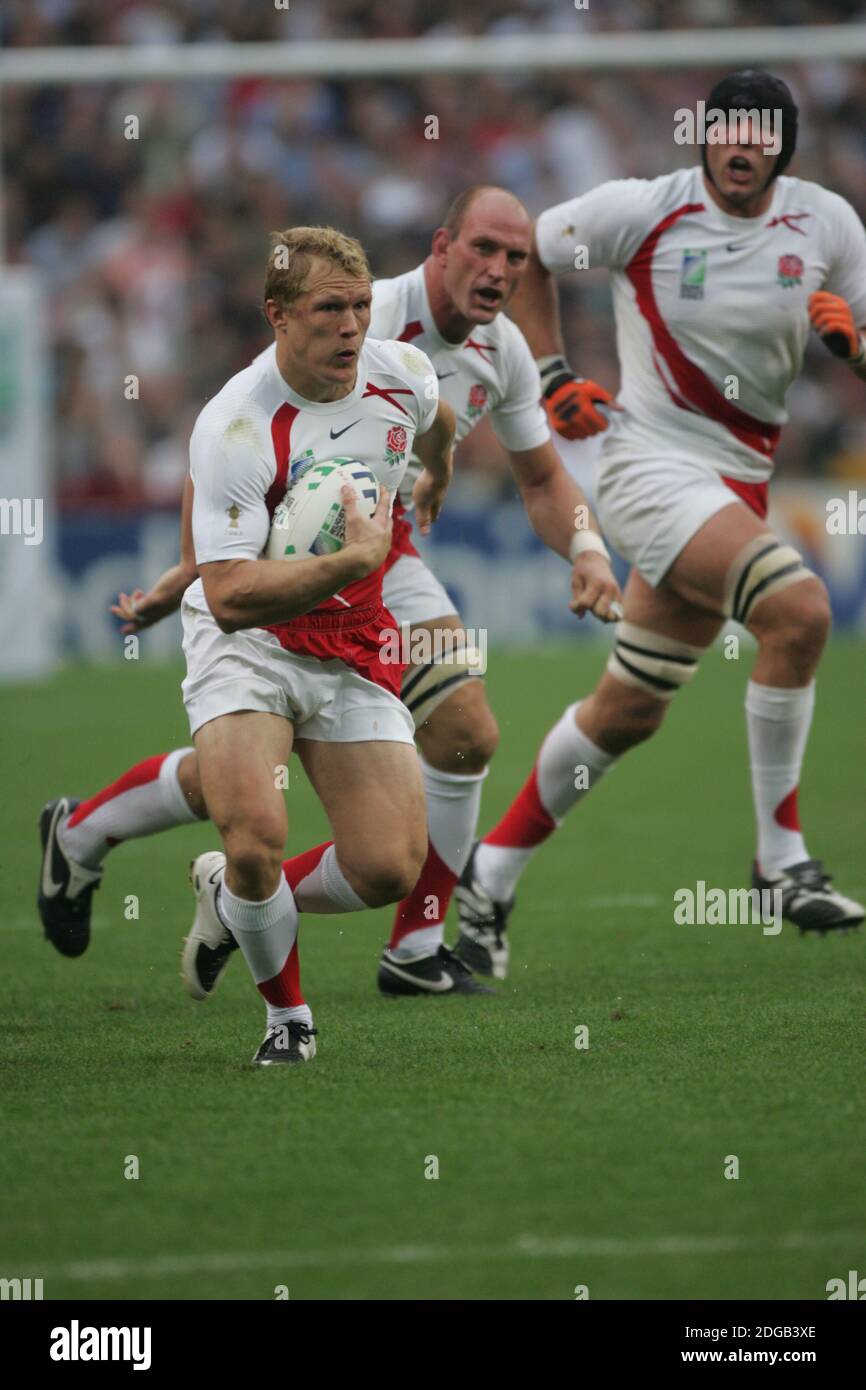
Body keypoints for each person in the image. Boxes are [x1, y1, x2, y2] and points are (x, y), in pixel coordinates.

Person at [38, 188, 622, 1002]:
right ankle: (91, 832)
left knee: (462, 732)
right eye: (484, 249)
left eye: (516, 258)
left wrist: (587, 547)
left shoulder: (504, 350)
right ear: (442, 245)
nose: (498, 270)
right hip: (287, 561)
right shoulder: (363, 313)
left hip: (382, 560)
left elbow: (538, 474)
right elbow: (238, 430)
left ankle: (408, 943)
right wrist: (190, 572)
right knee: (244, 785)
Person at [455, 70, 866, 982]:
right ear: (703, 136)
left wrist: (854, 347)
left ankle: (489, 872)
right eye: (725, 130)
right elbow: (527, 251)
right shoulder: (644, 211)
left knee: (629, 709)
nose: (739, 146)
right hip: (648, 469)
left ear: (782, 147)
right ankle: (778, 859)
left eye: (759, 134)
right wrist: (554, 372)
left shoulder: (827, 225)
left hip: (738, 487)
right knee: (798, 613)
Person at [40, 224, 456, 1065]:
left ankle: (98, 839)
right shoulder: (234, 422)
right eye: (328, 309)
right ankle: (288, 1022)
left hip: (352, 634)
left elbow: (435, 423)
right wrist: (351, 556)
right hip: (251, 640)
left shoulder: (401, 374)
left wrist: (437, 472)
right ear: (277, 315)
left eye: (362, 307)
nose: (350, 326)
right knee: (256, 833)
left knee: (387, 868)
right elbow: (227, 598)